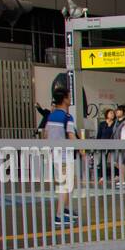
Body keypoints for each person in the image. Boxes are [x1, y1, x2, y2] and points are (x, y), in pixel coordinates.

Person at [41, 91, 80, 227]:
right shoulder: (67, 117)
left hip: (55, 154)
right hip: (65, 155)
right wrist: (82, 149)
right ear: (64, 99)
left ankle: (66, 209)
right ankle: (59, 215)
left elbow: (45, 134)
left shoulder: (51, 116)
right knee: (65, 185)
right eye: (69, 97)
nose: (70, 99)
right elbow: (71, 135)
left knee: (70, 181)